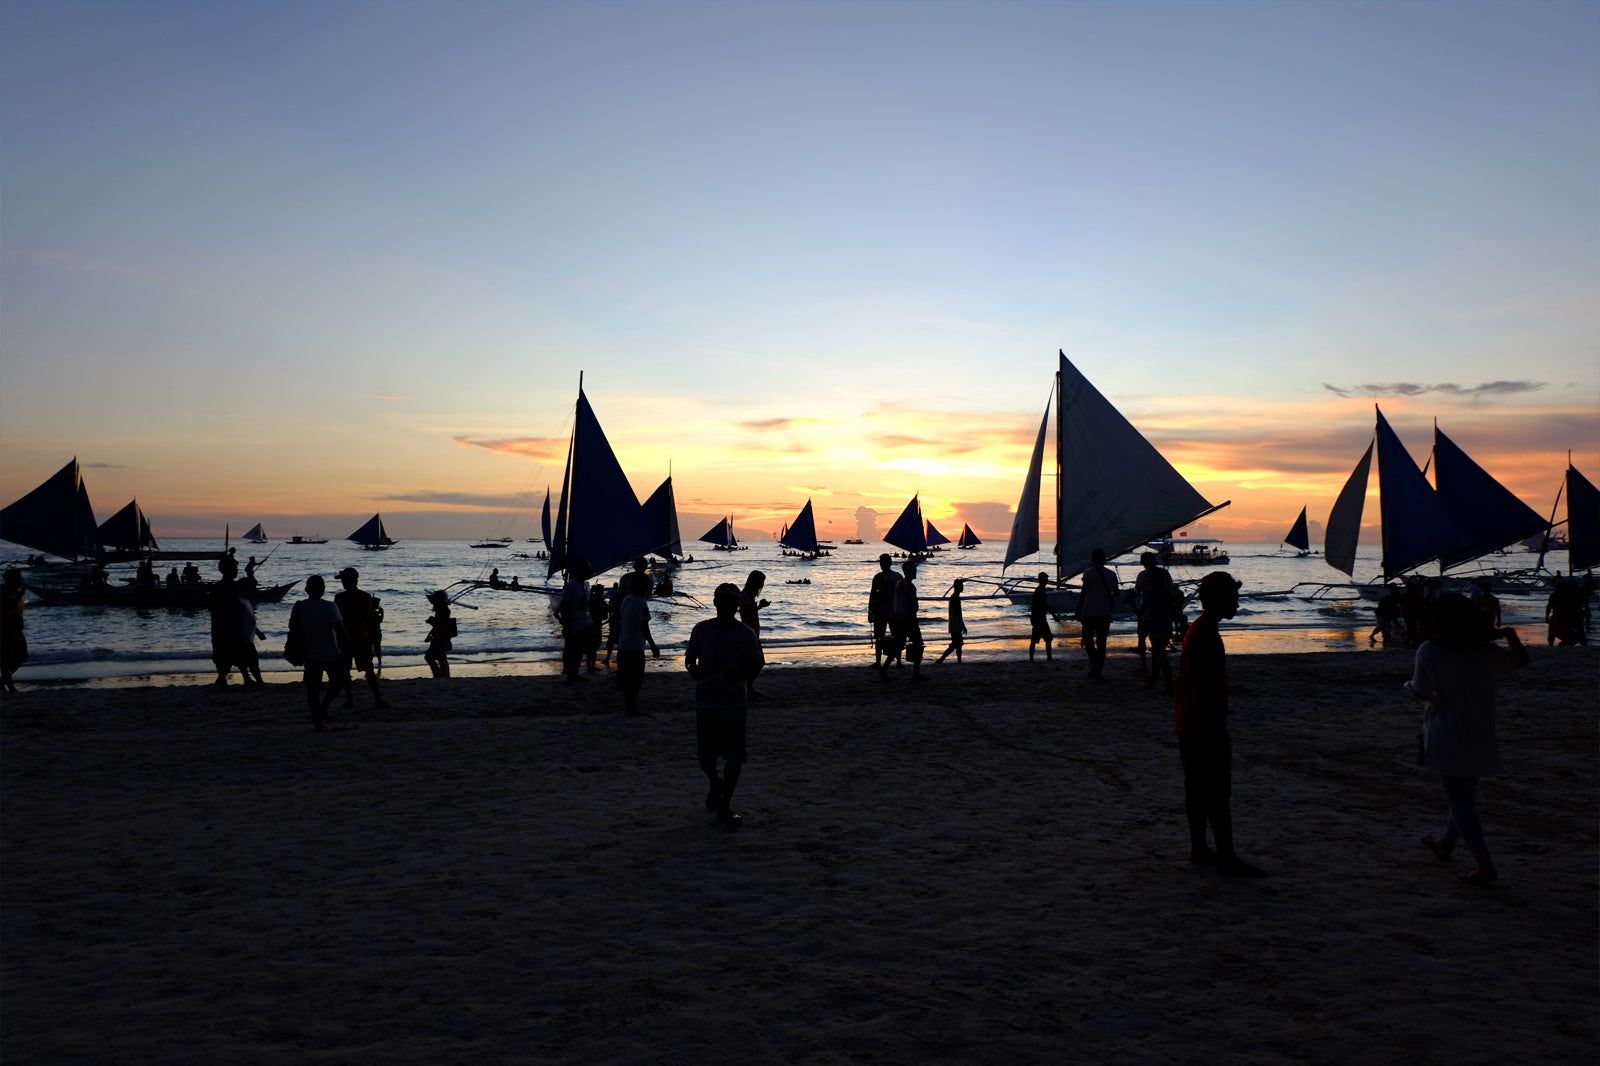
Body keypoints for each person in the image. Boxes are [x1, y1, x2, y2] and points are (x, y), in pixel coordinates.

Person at [1411, 593, 1528, 886]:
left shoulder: (1430, 651)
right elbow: (1521, 661)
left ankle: (1484, 864)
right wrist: (1510, 634)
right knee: (1464, 796)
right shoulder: (1486, 652)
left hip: (1447, 734)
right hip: (1482, 733)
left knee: (1460, 801)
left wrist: (1408, 686)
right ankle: (1446, 844)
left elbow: (1423, 692)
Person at [1173, 571, 1265, 877]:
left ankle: (1200, 848)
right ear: (1217, 600)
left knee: (1198, 790)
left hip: (1191, 722)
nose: (1237, 604)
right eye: (1233, 599)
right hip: (1203, 726)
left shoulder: (1200, 630)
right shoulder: (1204, 634)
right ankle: (1225, 855)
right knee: (1216, 793)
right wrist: (1214, 729)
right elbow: (1205, 687)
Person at [685, 583, 764, 827]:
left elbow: (758, 662)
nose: (728, 606)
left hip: (734, 703)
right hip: (706, 701)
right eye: (724, 601)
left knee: (734, 757)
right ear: (715, 602)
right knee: (704, 756)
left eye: (732, 601)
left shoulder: (746, 633)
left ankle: (726, 805)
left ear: (737, 604)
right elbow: (689, 659)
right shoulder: (701, 629)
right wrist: (694, 670)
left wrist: (741, 676)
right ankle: (716, 783)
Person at [286, 575, 351, 730]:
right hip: (330, 652)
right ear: (323, 589)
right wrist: (346, 651)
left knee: (313, 689)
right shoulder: (329, 607)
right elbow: (341, 632)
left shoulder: (300, 607)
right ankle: (322, 709)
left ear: (307, 589)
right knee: (339, 682)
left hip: (309, 653)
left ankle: (318, 720)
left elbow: (293, 628)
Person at [333, 568, 390, 710]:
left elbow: (337, 620)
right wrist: (373, 637)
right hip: (361, 637)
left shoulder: (340, 598)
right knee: (367, 669)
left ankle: (351, 699)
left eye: (344, 580)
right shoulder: (365, 597)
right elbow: (371, 620)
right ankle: (376, 699)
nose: (343, 583)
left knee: (347, 670)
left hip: (347, 638)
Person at [615, 572, 660, 715]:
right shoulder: (641, 603)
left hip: (623, 645)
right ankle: (631, 708)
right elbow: (644, 626)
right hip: (635, 647)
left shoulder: (627, 599)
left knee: (627, 678)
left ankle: (629, 706)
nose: (650, 588)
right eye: (648, 585)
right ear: (643, 586)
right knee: (635, 678)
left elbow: (621, 621)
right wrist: (653, 645)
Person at [207, 556, 256, 687]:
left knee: (237, 652)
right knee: (224, 652)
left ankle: (244, 678)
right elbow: (214, 607)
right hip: (224, 626)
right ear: (226, 570)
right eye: (234, 568)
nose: (236, 570)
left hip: (232, 626)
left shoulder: (233, 586)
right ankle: (223, 677)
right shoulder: (222, 588)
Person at [1133, 553, 1176, 691]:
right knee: (1158, 650)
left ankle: (1165, 681)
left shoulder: (1149, 590)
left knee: (1157, 651)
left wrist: (1130, 603)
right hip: (1165, 621)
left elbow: (1139, 599)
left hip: (1151, 619)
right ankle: (1154, 676)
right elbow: (1171, 594)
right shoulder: (1165, 583)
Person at [1076, 548, 1117, 679]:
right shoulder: (1111, 574)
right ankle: (1097, 668)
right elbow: (1115, 593)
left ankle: (1095, 665)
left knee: (1088, 641)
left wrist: (1078, 608)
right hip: (1105, 612)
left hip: (1089, 612)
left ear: (1093, 559)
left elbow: (1084, 593)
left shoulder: (1088, 572)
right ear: (1104, 559)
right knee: (1101, 642)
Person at [886, 560, 923, 682]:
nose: (916, 571)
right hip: (908, 620)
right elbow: (914, 606)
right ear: (910, 571)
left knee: (898, 646)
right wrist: (912, 622)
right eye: (914, 569)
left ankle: (884, 669)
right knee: (918, 644)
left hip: (897, 620)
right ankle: (916, 674)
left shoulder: (898, 584)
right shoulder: (910, 587)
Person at [555, 560, 592, 682]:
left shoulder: (587, 585)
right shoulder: (570, 586)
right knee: (572, 649)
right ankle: (571, 674)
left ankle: (575, 673)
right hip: (572, 623)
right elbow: (564, 607)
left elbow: (586, 606)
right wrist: (567, 625)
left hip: (584, 623)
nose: (589, 571)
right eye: (587, 569)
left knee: (580, 649)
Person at [868, 554, 902, 669]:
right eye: (882, 562)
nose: (882, 564)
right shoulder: (893, 577)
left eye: (883, 562)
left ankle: (891, 662)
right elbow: (872, 595)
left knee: (888, 636)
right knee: (885, 637)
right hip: (886, 611)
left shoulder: (895, 577)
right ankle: (889, 662)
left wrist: (870, 611)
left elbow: (872, 595)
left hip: (888, 611)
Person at [739, 570, 769, 698]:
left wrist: (760, 606)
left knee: (753, 662)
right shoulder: (745, 595)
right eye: (761, 581)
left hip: (752, 632)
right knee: (758, 662)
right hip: (748, 633)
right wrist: (759, 606)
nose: (762, 584)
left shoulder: (749, 595)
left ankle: (748, 688)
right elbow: (745, 613)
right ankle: (748, 688)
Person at [1, 568, 27, 693]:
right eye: (18, 578)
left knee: (22, 657)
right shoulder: (4, 592)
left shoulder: (15, 591)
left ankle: (4, 681)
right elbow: (6, 608)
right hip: (7, 628)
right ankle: (8, 684)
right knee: (7, 659)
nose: (21, 580)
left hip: (16, 628)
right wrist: (19, 596)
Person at [935, 577, 967, 665]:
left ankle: (959, 660)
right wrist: (962, 625)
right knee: (955, 644)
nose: (962, 587)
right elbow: (958, 614)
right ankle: (941, 659)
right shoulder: (955, 598)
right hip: (955, 625)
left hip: (954, 624)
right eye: (961, 586)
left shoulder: (954, 597)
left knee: (958, 644)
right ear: (956, 587)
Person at [424, 590, 455, 678]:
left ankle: (440, 675)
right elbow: (438, 625)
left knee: (432, 657)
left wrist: (431, 622)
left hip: (441, 637)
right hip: (440, 637)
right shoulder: (442, 610)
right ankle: (442, 676)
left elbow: (441, 625)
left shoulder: (444, 610)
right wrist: (429, 635)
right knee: (440, 657)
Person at [1028, 571, 1053, 661]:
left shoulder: (1040, 590)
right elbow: (1042, 605)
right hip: (1039, 618)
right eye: (1045, 579)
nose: (1047, 580)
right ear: (1041, 580)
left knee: (1036, 639)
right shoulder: (1040, 591)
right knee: (1047, 638)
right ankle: (1048, 658)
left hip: (1038, 618)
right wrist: (1053, 614)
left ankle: (1032, 658)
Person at [586, 583, 609, 673]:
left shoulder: (592, 598)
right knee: (593, 646)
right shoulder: (597, 600)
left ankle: (591, 665)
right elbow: (605, 610)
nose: (603, 593)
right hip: (594, 624)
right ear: (599, 591)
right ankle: (591, 666)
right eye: (602, 591)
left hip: (591, 624)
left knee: (592, 646)